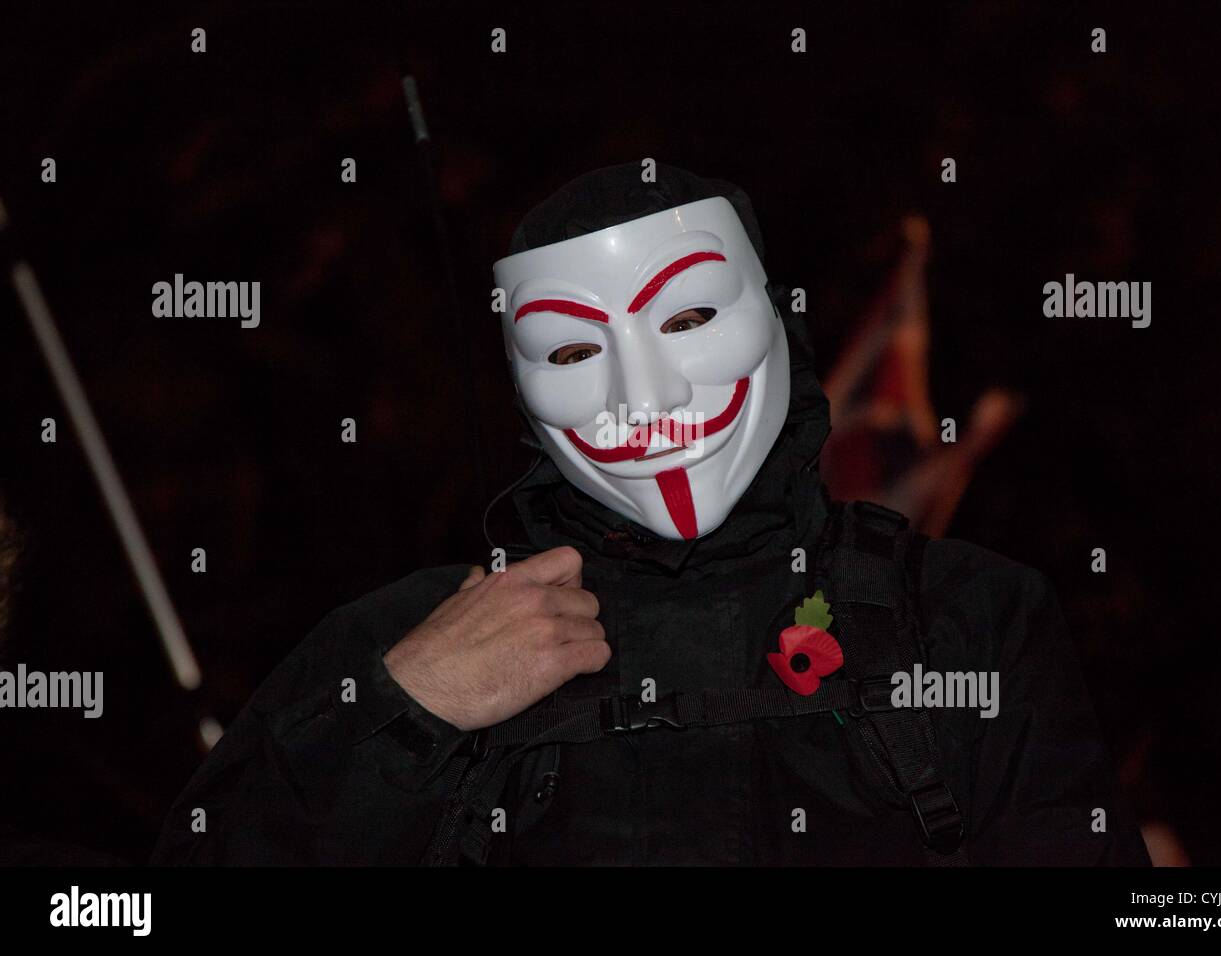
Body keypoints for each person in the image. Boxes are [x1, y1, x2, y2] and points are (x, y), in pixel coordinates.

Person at [152, 163, 1150, 865]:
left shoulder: (968, 616)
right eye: (574, 350)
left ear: (778, 322)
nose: (645, 390)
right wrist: (408, 709)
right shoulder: (398, 638)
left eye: (687, 318)